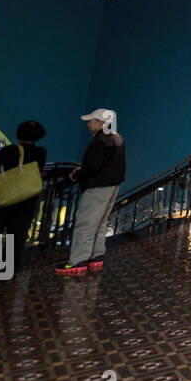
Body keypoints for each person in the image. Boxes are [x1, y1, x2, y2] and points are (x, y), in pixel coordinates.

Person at [58, 109, 126, 276]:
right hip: (113, 184)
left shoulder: (100, 140)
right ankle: (96, 257)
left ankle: (77, 261)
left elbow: (93, 166)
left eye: (92, 121)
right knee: (101, 222)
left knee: (86, 223)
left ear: (101, 123)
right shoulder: (117, 138)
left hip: (99, 186)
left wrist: (77, 175)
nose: (89, 124)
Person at [0, 120, 47, 280]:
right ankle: (9, 271)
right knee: (17, 236)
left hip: (5, 199)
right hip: (28, 199)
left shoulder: (10, 150)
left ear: (18, 135)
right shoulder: (41, 152)